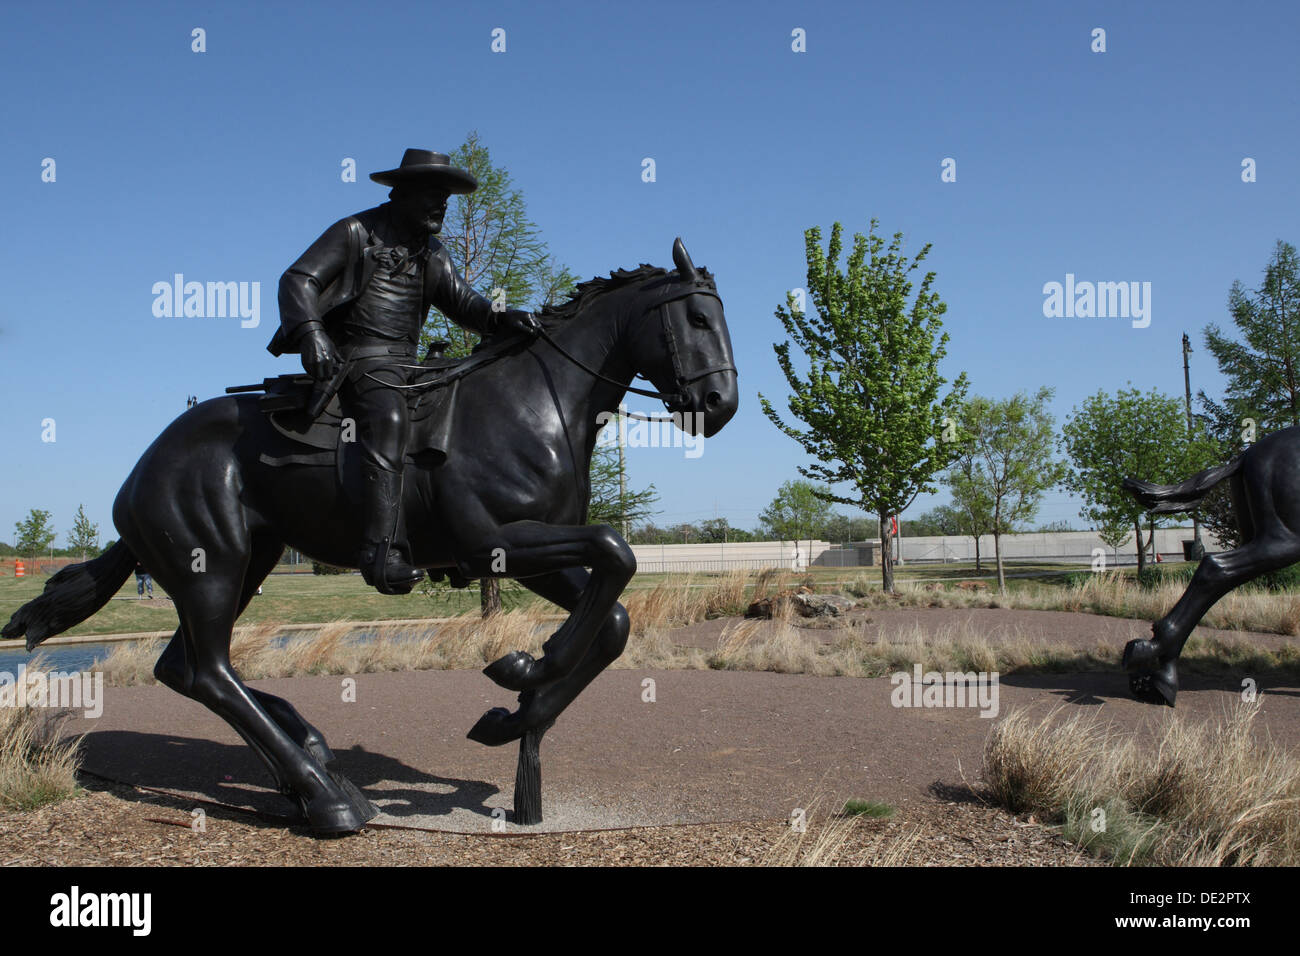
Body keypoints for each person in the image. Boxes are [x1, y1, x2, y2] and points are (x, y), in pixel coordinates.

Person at [270, 149, 541, 595]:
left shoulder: (432, 251)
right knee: (389, 419)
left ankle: (451, 536)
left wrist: (502, 316)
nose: (442, 206)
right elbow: (298, 280)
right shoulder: (355, 232)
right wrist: (312, 333)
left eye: (447, 199)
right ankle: (382, 550)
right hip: (362, 358)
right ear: (403, 193)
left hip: (409, 363)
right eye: (435, 196)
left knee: (468, 414)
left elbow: (465, 303)